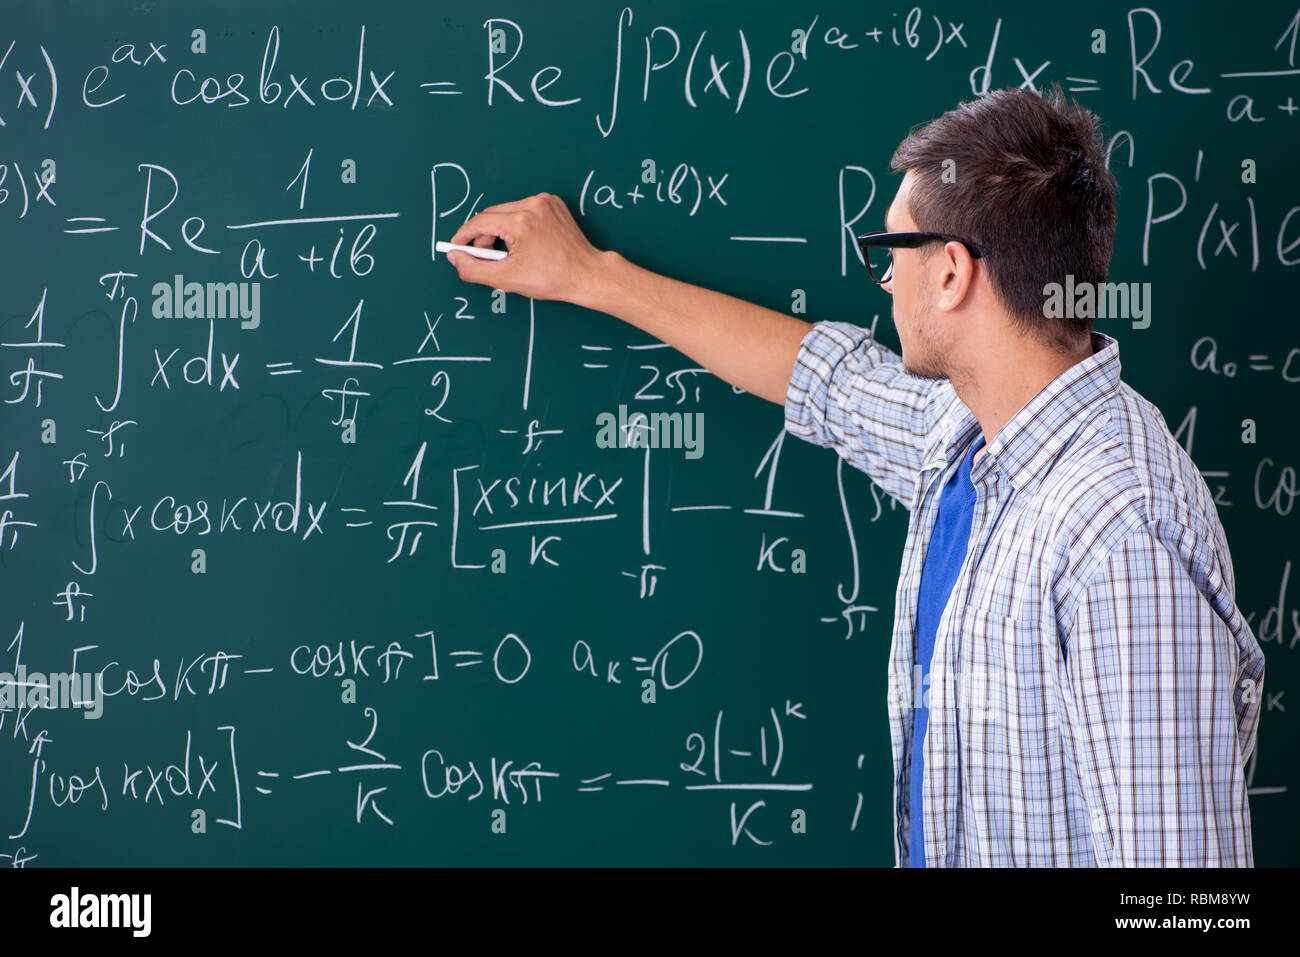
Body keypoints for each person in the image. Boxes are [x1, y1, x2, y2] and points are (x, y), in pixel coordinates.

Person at [442, 85, 1265, 867]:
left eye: (888, 252)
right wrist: (588, 275)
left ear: (950, 272)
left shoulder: (1119, 535)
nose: (883, 282)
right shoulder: (972, 437)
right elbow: (821, 379)